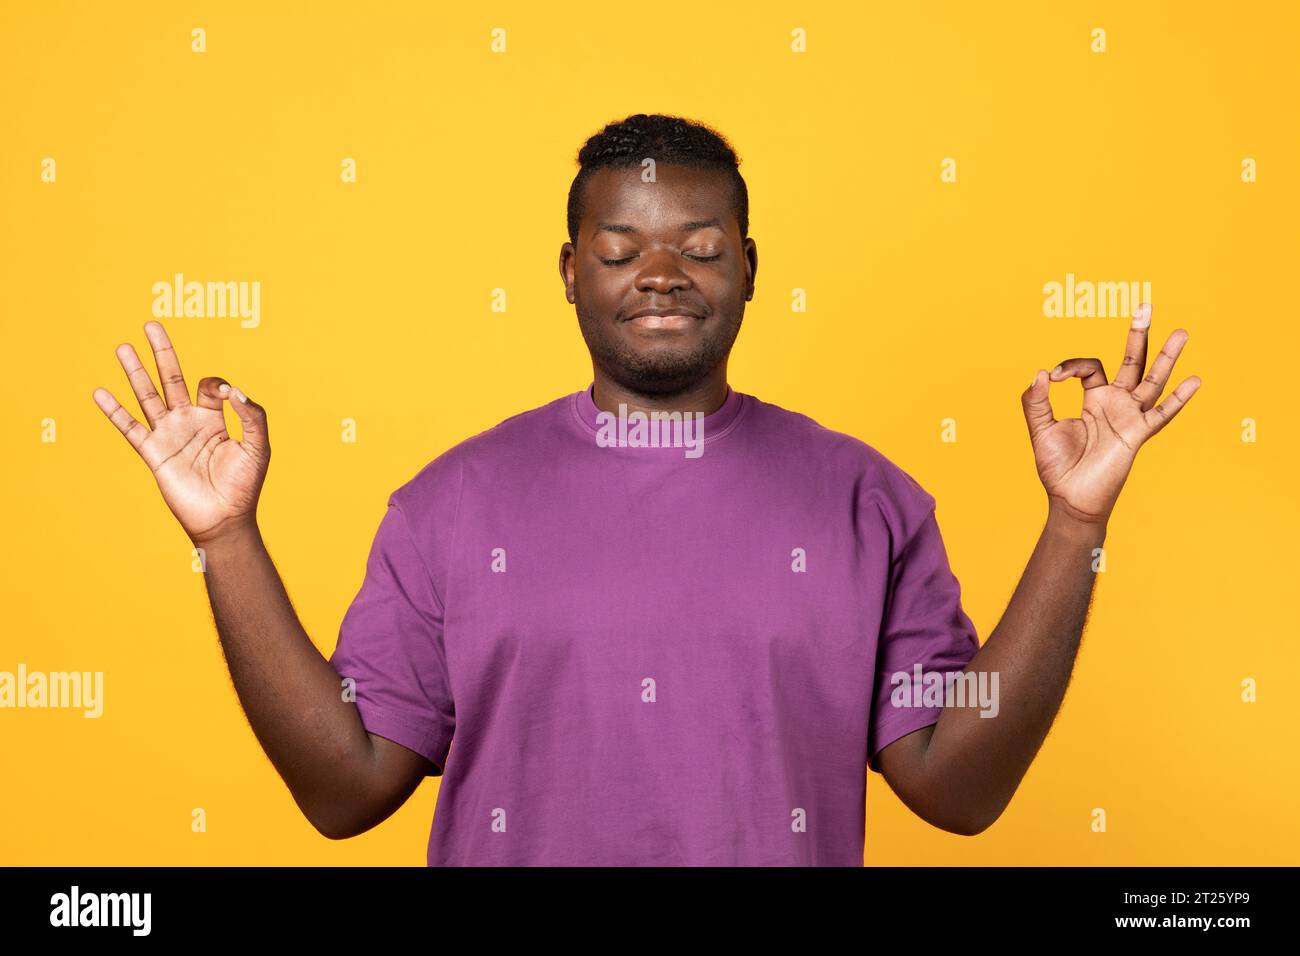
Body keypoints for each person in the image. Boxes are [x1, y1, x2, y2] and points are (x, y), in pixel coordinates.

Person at [91, 113, 1200, 866]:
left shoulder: (866, 498)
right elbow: (346, 791)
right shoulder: (449, 503)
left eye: (699, 246)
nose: (660, 273)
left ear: (751, 267)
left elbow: (958, 788)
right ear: (569, 272)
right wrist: (227, 540)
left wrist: (1075, 523)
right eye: (620, 248)